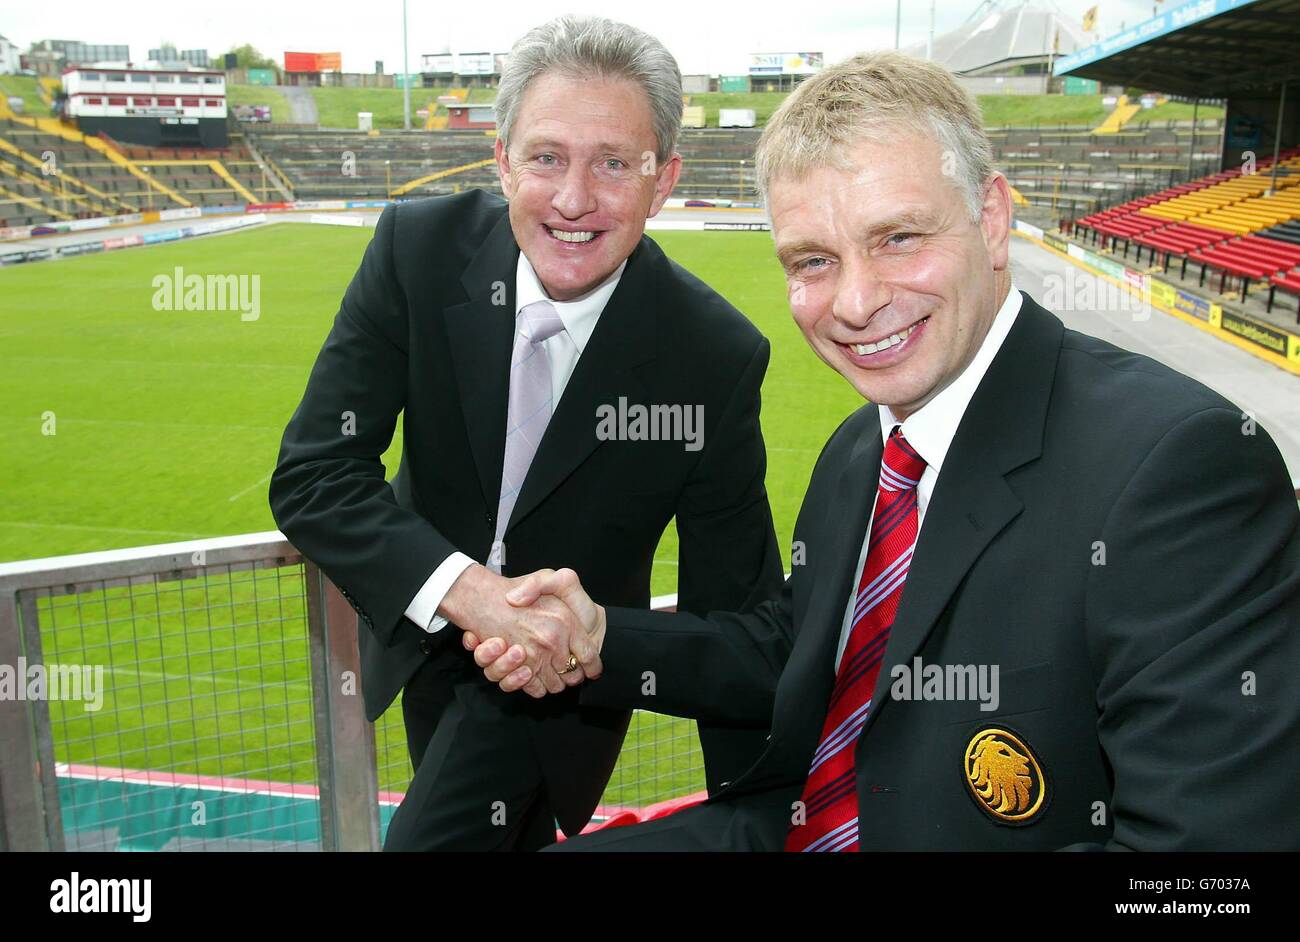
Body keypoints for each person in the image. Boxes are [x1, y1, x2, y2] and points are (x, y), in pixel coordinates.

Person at [469, 50, 1300, 851]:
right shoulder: (862, 452)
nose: (858, 302)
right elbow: (791, 652)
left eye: (898, 237)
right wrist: (597, 636)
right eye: (815, 260)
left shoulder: (1181, 469)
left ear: (993, 219)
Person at [268, 15, 784, 851]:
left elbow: (738, 623)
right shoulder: (416, 250)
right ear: (501, 160)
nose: (574, 200)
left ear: (665, 180)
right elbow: (314, 474)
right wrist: (469, 595)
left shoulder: (713, 355)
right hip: (423, 618)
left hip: (562, 685)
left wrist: (763, 818)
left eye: (614, 164)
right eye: (546, 157)